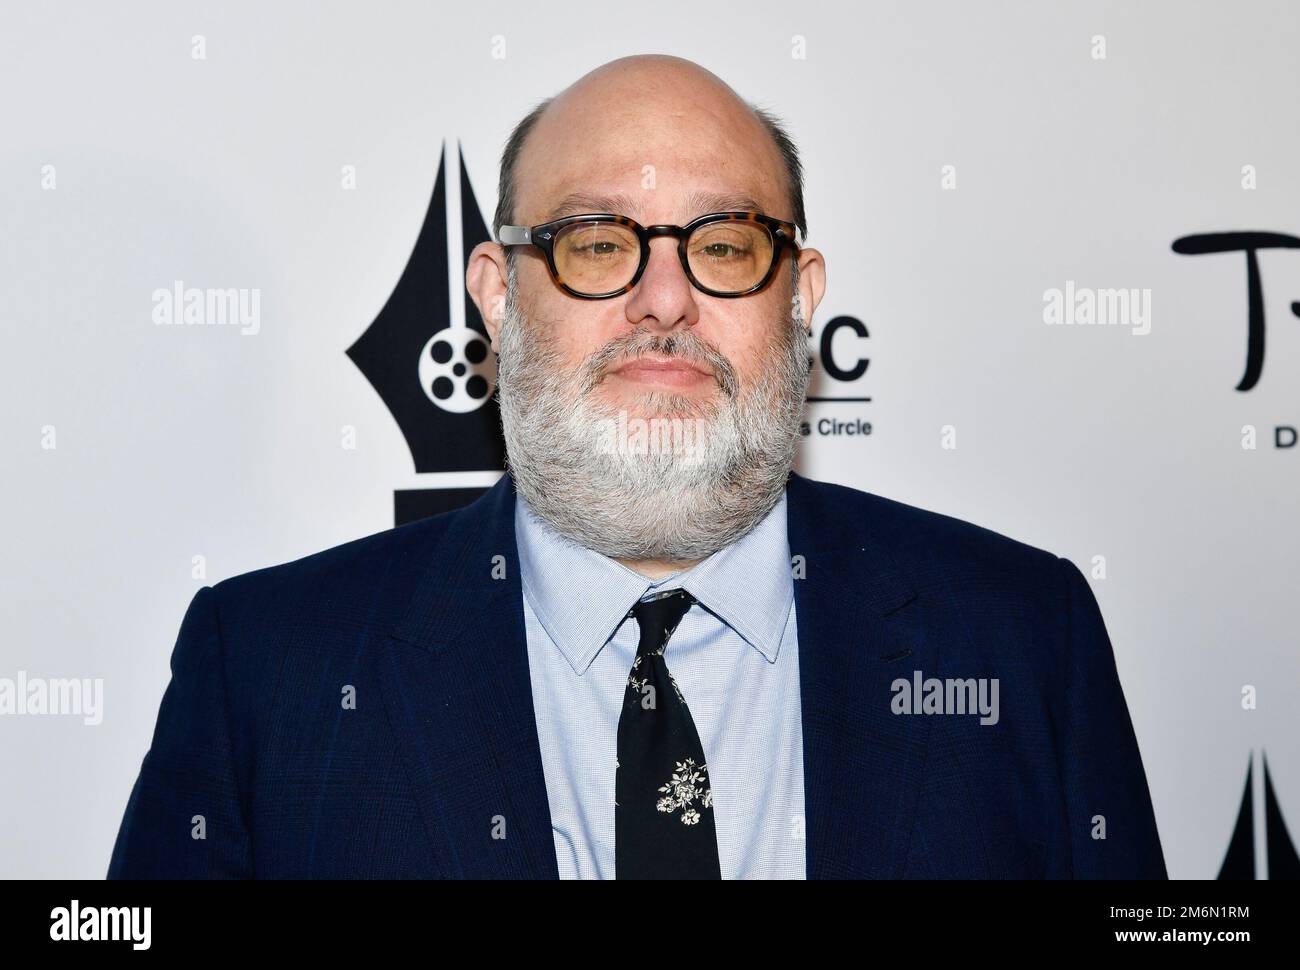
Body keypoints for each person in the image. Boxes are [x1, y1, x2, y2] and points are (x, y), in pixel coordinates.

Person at [108, 54, 1165, 879]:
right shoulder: (265, 672)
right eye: (598, 241)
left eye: (723, 243)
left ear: (799, 299)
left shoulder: (1023, 637)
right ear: (495, 293)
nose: (663, 300)